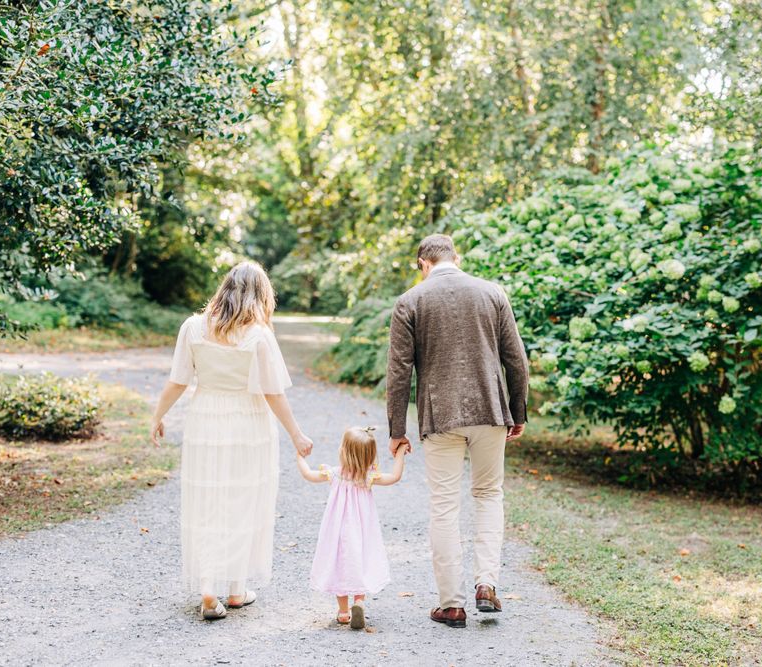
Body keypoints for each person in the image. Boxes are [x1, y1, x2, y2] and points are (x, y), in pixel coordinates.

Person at [150, 261, 314, 621]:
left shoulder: (193, 327)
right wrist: (296, 434)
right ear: (261, 296)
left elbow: (178, 380)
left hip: (205, 421)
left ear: (224, 288)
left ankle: (216, 588)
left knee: (209, 499)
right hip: (248, 424)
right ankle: (235, 589)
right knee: (244, 499)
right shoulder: (258, 335)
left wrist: (158, 415)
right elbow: (273, 394)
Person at [386, 233, 529, 629]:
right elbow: (516, 360)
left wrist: (397, 429)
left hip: (440, 416)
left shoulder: (410, 302)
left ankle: (451, 604)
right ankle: (487, 584)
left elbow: (399, 373)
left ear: (422, 264)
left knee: (444, 506)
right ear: (456, 257)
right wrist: (517, 411)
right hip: (490, 410)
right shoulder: (492, 293)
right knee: (488, 495)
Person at [297, 426, 406, 629]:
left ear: (343, 452)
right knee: (359, 559)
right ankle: (359, 601)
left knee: (340, 562)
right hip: (362, 531)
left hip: (338, 530)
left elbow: (309, 475)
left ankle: (344, 612)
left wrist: (299, 458)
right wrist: (400, 452)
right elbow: (395, 476)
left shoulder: (335, 475)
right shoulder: (368, 477)